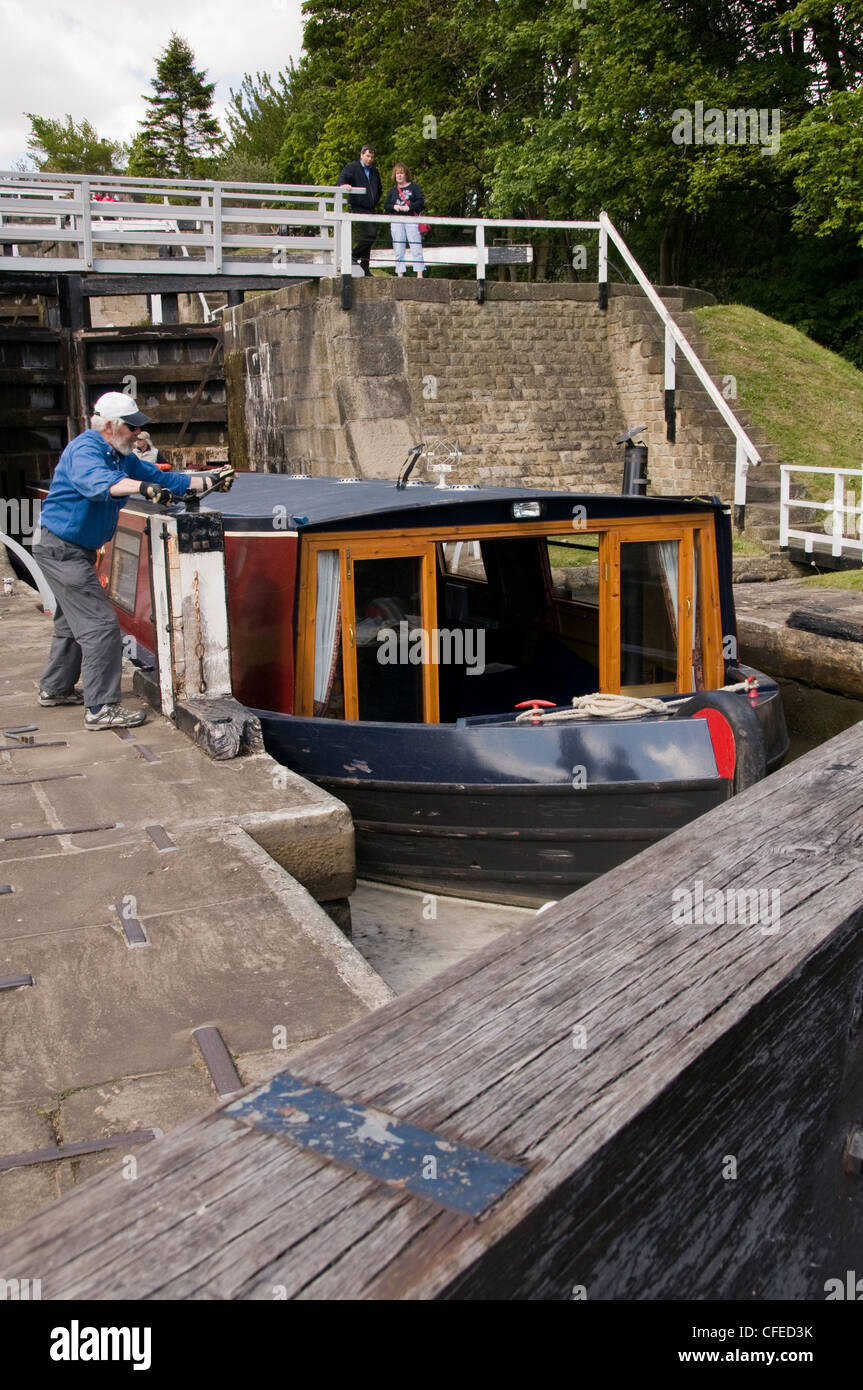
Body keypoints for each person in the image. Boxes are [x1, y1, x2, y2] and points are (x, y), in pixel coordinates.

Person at [32, 391, 234, 730]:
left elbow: (165, 479)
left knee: (71, 624)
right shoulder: (85, 451)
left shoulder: (120, 455)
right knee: (100, 627)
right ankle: (101, 709)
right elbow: (100, 485)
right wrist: (143, 489)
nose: (138, 434)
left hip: (73, 548)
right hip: (60, 549)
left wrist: (210, 479)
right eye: (131, 428)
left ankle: (55, 689)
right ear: (110, 426)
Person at [338, 144, 382, 274]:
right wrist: (343, 185)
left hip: (371, 207)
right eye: (367, 156)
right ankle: (353, 256)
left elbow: (379, 188)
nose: (369, 159)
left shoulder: (374, 171)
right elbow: (343, 178)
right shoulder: (353, 167)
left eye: (371, 157)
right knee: (370, 234)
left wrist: (375, 199)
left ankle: (364, 267)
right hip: (358, 206)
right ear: (362, 155)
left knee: (369, 237)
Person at [384, 164, 425, 278]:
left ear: (406, 174)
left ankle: (419, 272)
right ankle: (400, 273)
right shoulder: (392, 191)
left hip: (411, 219)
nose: (399, 176)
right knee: (398, 246)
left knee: (415, 245)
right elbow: (386, 205)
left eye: (401, 173)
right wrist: (394, 207)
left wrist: (410, 207)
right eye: (397, 173)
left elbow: (421, 202)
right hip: (396, 220)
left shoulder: (414, 187)